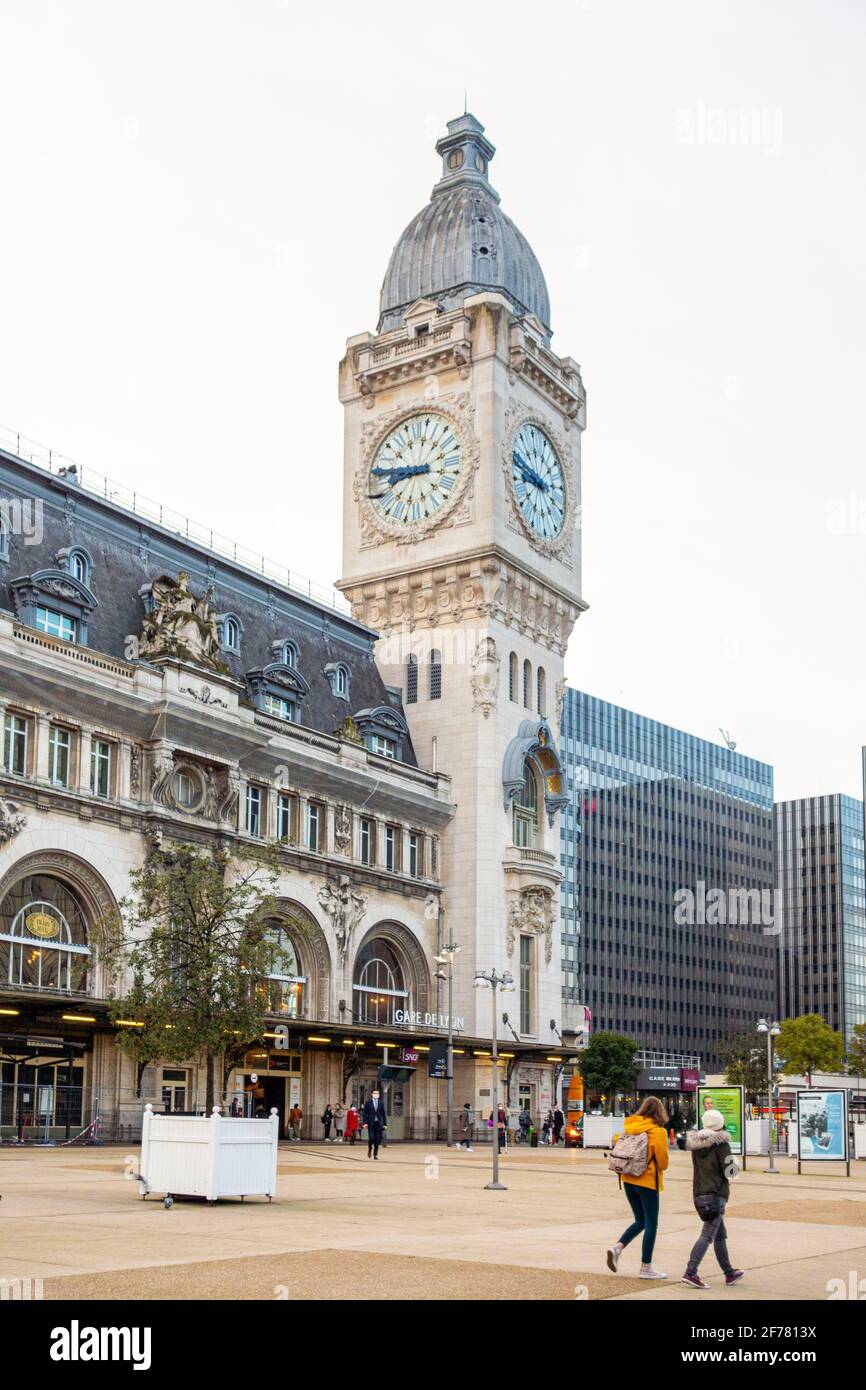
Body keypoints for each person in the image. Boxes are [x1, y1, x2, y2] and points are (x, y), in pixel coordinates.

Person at [606, 1096, 671, 1280]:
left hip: (627, 1179)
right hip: (647, 1181)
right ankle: (646, 1267)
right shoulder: (657, 1132)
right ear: (660, 1112)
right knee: (651, 1223)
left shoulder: (629, 1128)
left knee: (640, 1220)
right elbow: (663, 1163)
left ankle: (618, 1247)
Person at [682, 1109, 745, 1288]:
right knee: (708, 1234)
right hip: (716, 1193)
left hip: (700, 1192)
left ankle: (729, 1273)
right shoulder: (721, 1144)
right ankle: (690, 1272)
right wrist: (735, 1164)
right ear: (721, 1123)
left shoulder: (697, 1144)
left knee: (719, 1235)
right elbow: (730, 1172)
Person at [362, 1089, 387, 1159]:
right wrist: (365, 1123)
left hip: (378, 1123)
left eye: (378, 1093)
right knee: (371, 1138)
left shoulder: (381, 1103)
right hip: (371, 1123)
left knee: (377, 1140)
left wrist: (385, 1124)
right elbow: (364, 1114)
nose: (376, 1095)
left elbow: (383, 1114)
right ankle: (370, 1149)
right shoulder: (368, 1102)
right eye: (375, 1093)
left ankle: (375, 1154)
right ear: (372, 1094)